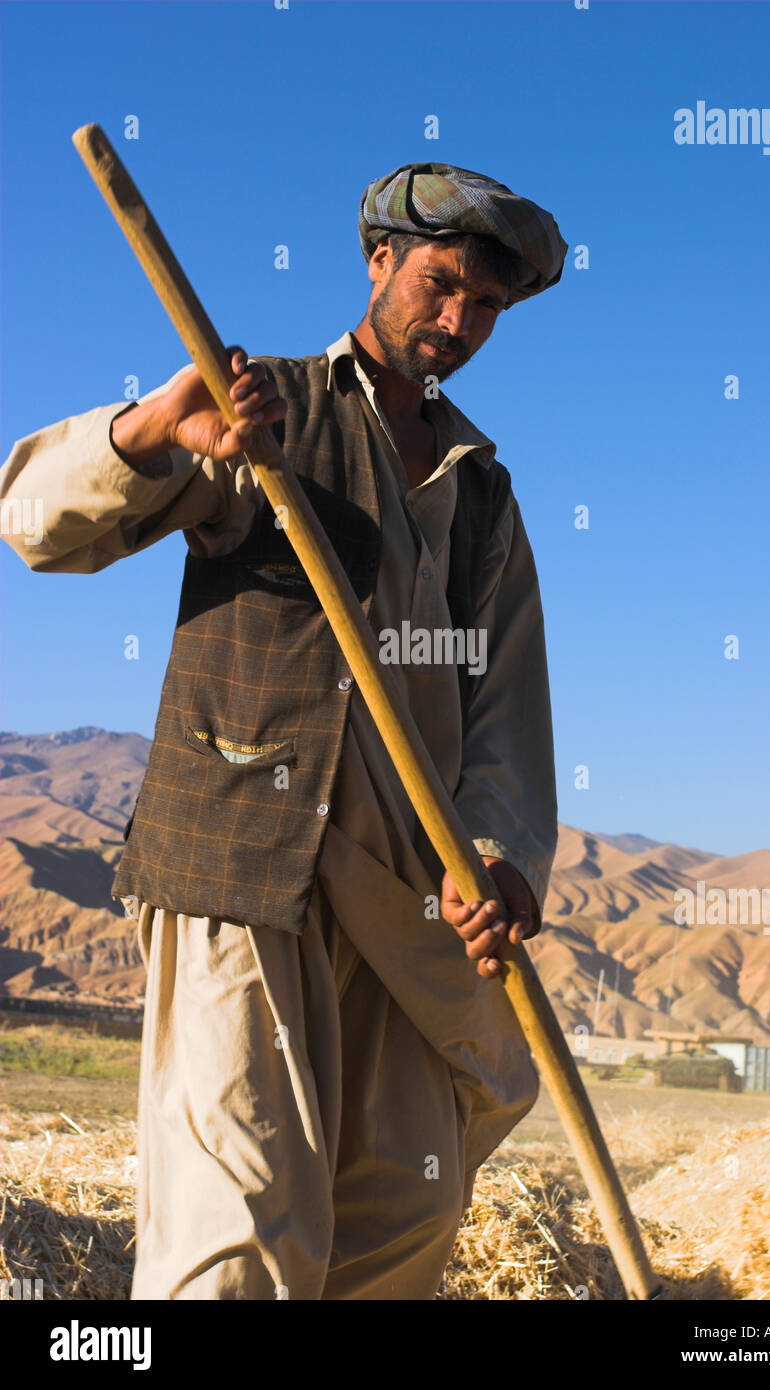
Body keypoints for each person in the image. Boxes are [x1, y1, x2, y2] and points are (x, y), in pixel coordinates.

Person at [0, 161, 566, 1300]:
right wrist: (154, 429)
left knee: (402, 1214)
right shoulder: (258, 413)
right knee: (240, 1238)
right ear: (378, 264)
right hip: (240, 876)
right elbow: (34, 523)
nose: (455, 321)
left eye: (484, 307)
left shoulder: (482, 496)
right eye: (440, 285)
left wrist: (501, 861)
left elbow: (506, 709)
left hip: (408, 900)